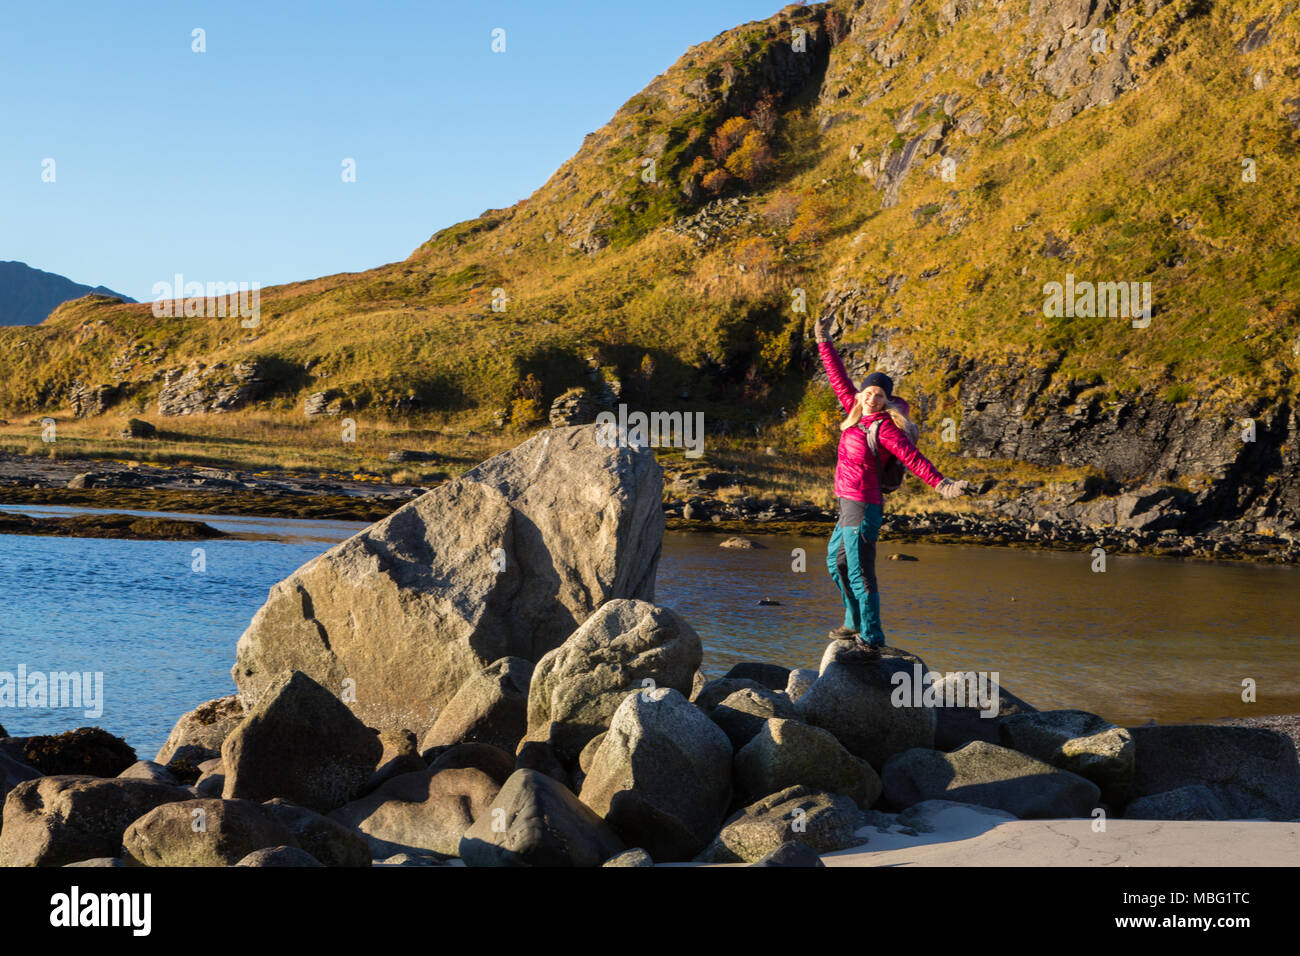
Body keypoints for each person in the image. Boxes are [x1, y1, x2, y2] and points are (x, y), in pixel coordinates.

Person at [814, 314, 970, 658]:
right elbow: (837, 377)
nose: (872, 398)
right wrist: (823, 339)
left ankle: (871, 636)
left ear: (886, 399)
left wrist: (943, 485)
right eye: (868, 392)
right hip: (846, 504)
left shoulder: (885, 428)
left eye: (879, 395)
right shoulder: (855, 411)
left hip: (864, 505)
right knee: (834, 563)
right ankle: (853, 620)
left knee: (859, 571)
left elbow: (913, 458)